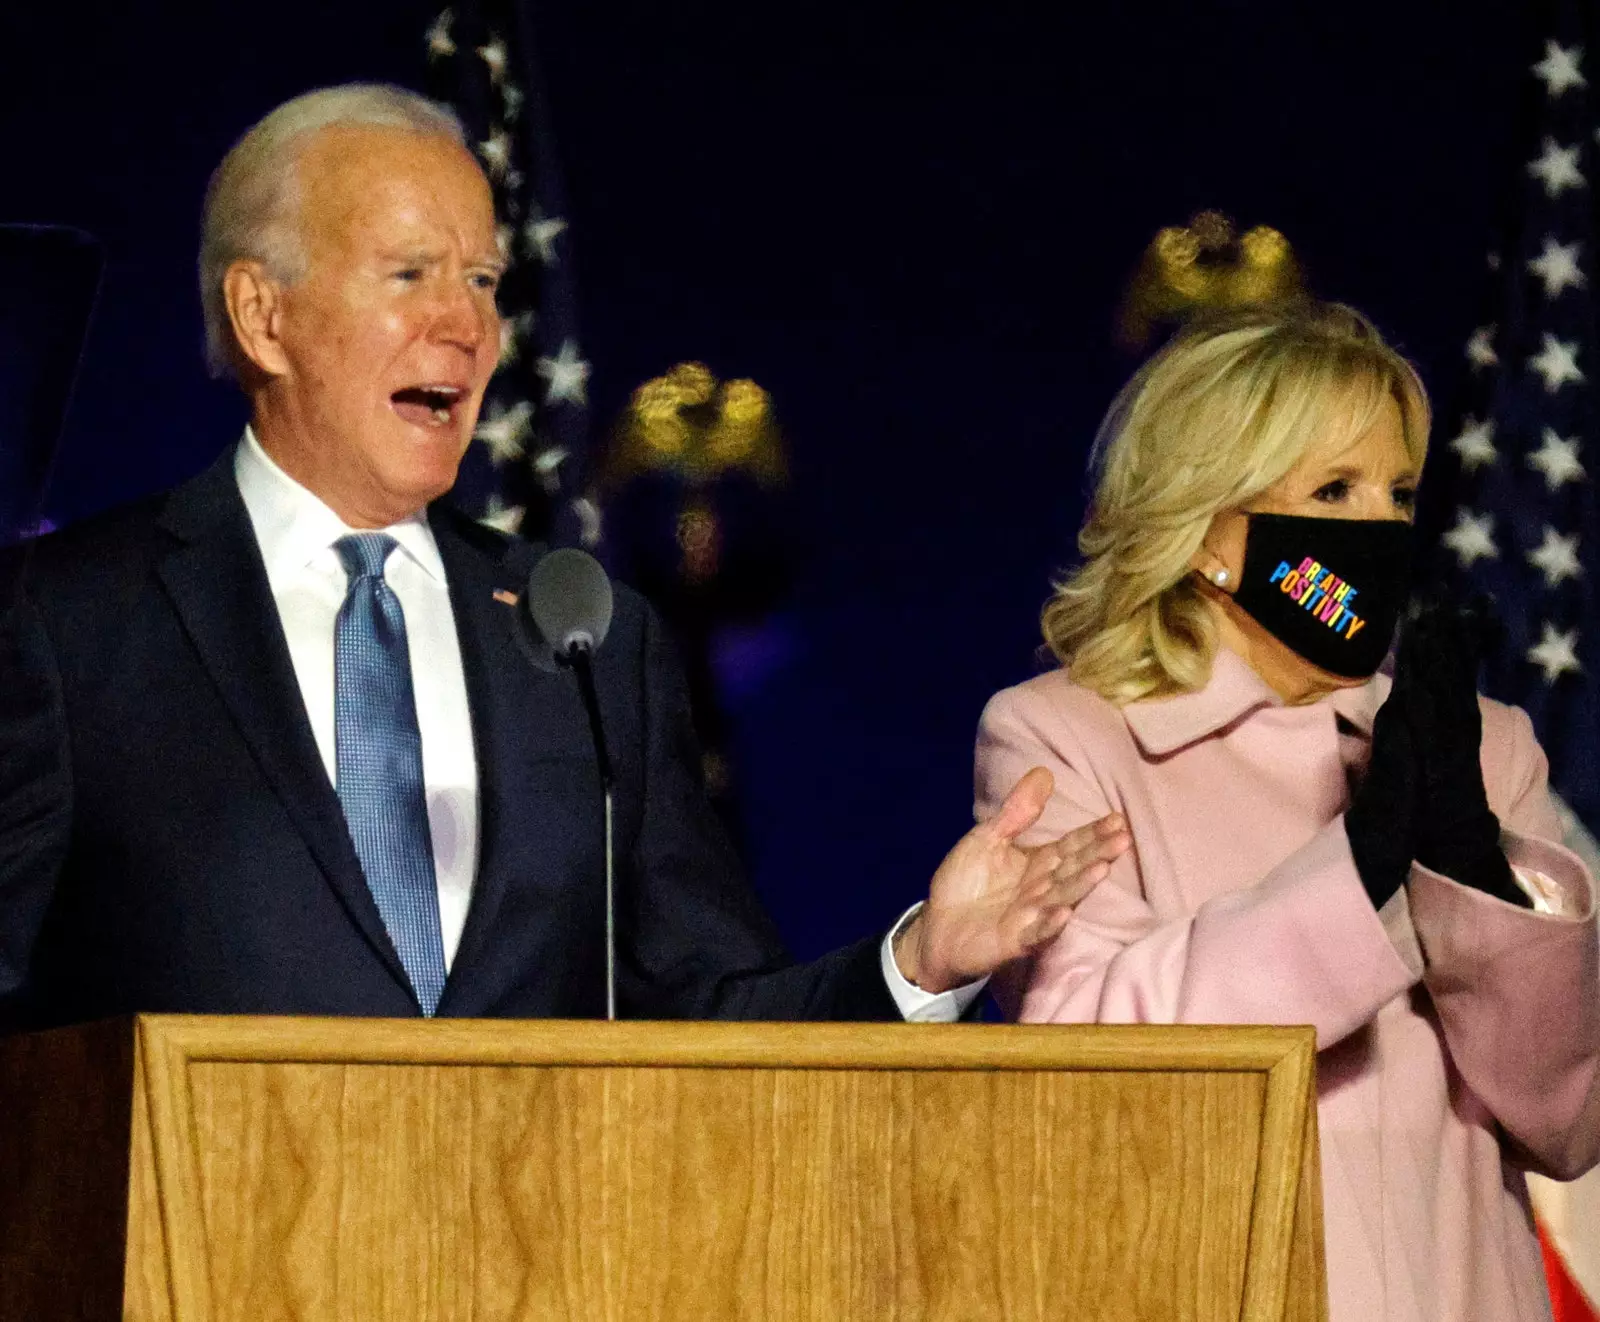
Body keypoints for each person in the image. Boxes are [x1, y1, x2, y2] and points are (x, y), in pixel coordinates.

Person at [0, 84, 1130, 1030]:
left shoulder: (579, 634)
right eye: (410, 275)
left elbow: (706, 1009)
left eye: (483, 281)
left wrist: (920, 961)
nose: (469, 326)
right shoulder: (70, 623)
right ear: (262, 314)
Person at [974, 302, 1600, 1322]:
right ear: (1208, 530)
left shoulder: (1483, 745)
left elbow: (1567, 1116)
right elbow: (1088, 1059)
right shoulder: (1068, 740)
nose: (1379, 530)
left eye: (1398, 492)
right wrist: (1356, 868)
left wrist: (1463, 868)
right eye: (1332, 490)